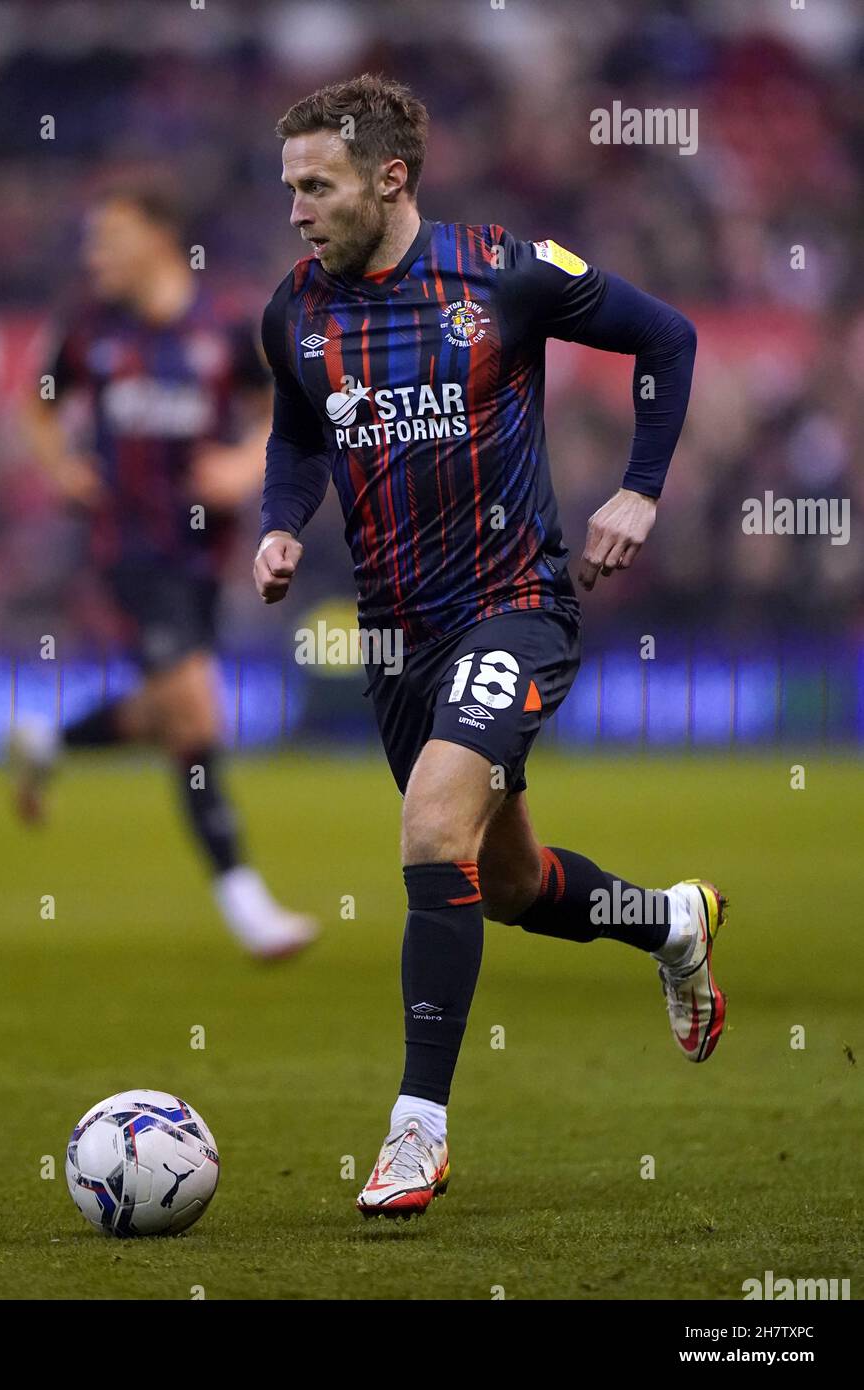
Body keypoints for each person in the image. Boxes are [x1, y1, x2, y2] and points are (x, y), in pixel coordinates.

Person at [253, 74, 724, 1217]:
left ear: (388, 177)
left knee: (427, 826)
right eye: (290, 188)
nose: (298, 209)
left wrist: (639, 492)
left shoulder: (501, 270)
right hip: (394, 639)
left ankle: (417, 1131)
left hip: (514, 604)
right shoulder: (295, 312)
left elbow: (665, 336)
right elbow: (297, 432)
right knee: (504, 881)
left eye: (316, 186)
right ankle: (672, 921)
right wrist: (279, 521)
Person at [19, 183, 316, 961]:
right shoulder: (90, 330)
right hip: (129, 551)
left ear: (159, 237)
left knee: (165, 711)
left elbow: (279, 411)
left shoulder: (221, 327)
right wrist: (60, 466)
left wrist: (242, 464)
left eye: (109, 237)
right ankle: (245, 900)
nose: (94, 255)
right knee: (196, 716)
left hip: (202, 559)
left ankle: (51, 741)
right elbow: (40, 402)